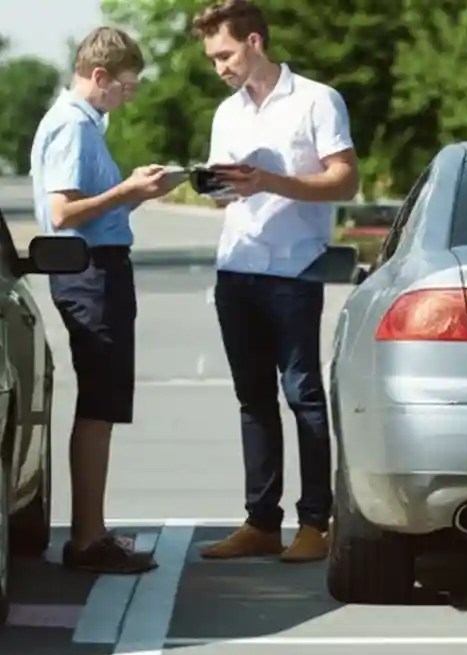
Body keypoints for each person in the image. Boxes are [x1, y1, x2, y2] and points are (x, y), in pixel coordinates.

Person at [190, 0, 359, 562]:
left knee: (303, 395)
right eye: (213, 59)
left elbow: (345, 181)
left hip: (294, 267)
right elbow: (227, 196)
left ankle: (315, 524)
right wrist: (213, 185)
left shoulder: (316, 99)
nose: (219, 67)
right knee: (253, 399)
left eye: (225, 54)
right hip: (235, 267)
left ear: (255, 42)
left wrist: (271, 181)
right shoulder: (227, 113)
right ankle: (261, 523)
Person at [29, 27, 175, 573]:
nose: (129, 96)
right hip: (90, 273)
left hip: (93, 268)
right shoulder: (73, 124)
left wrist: (133, 196)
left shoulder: (84, 123)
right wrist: (128, 190)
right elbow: (63, 212)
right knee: (98, 403)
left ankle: (92, 532)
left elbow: (91, 208)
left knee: (102, 402)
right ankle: (87, 540)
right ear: (100, 76)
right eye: (126, 86)